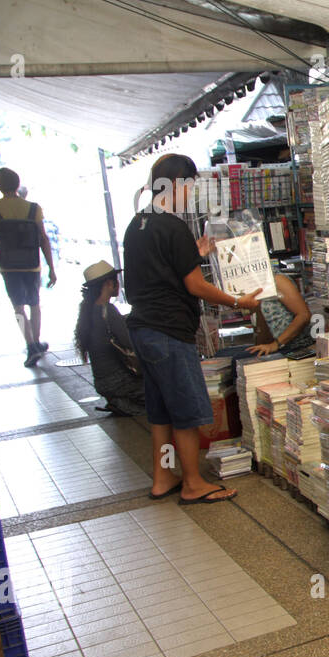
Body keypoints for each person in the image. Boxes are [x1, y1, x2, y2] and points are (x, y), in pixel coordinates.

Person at [123, 154, 261, 505]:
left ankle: (162, 476)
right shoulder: (172, 227)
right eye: (191, 186)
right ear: (178, 184)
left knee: (161, 413)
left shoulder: (138, 223)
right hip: (169, 331)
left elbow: (161, 271)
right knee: (185, 412)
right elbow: (196, 287)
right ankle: (193, 483)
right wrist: (237, 302)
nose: (192, 194)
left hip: (143, 328)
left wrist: (193, 254)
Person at [0, 168, 56, 366]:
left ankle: (30, 345)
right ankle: (37, 342)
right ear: (17, 183)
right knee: (35, 304)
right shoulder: (33, 208)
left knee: (18, 307)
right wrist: (52, 268)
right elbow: (44, 239)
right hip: (32, 265)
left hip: (9, 267)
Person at [74, 260, 146, 417]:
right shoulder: (109, 310)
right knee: (161, 394)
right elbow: (129, 342)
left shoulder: (88, 309)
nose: (118, 284)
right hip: (119, 380)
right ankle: (122, 404)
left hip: (102, 381)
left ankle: (119, 402)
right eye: (115, 281)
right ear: (108, 283)